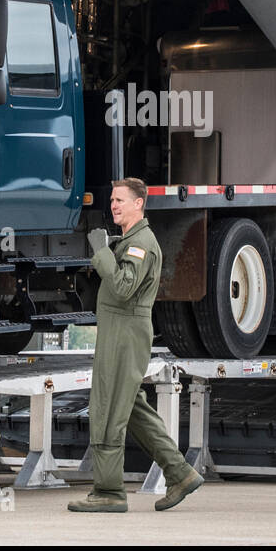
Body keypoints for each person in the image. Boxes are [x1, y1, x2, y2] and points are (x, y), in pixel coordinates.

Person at [69, 177, 203, 513]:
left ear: (139, 203)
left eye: (120, 200)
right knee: (129, 406)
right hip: (122, 330)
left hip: (125, 332)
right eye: (112, 200)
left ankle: (109, 492)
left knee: (109, 407)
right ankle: (180, 473)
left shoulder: (140, 243)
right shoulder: (130, 241)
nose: (113, 205)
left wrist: (102, 252)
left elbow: (124, 287)